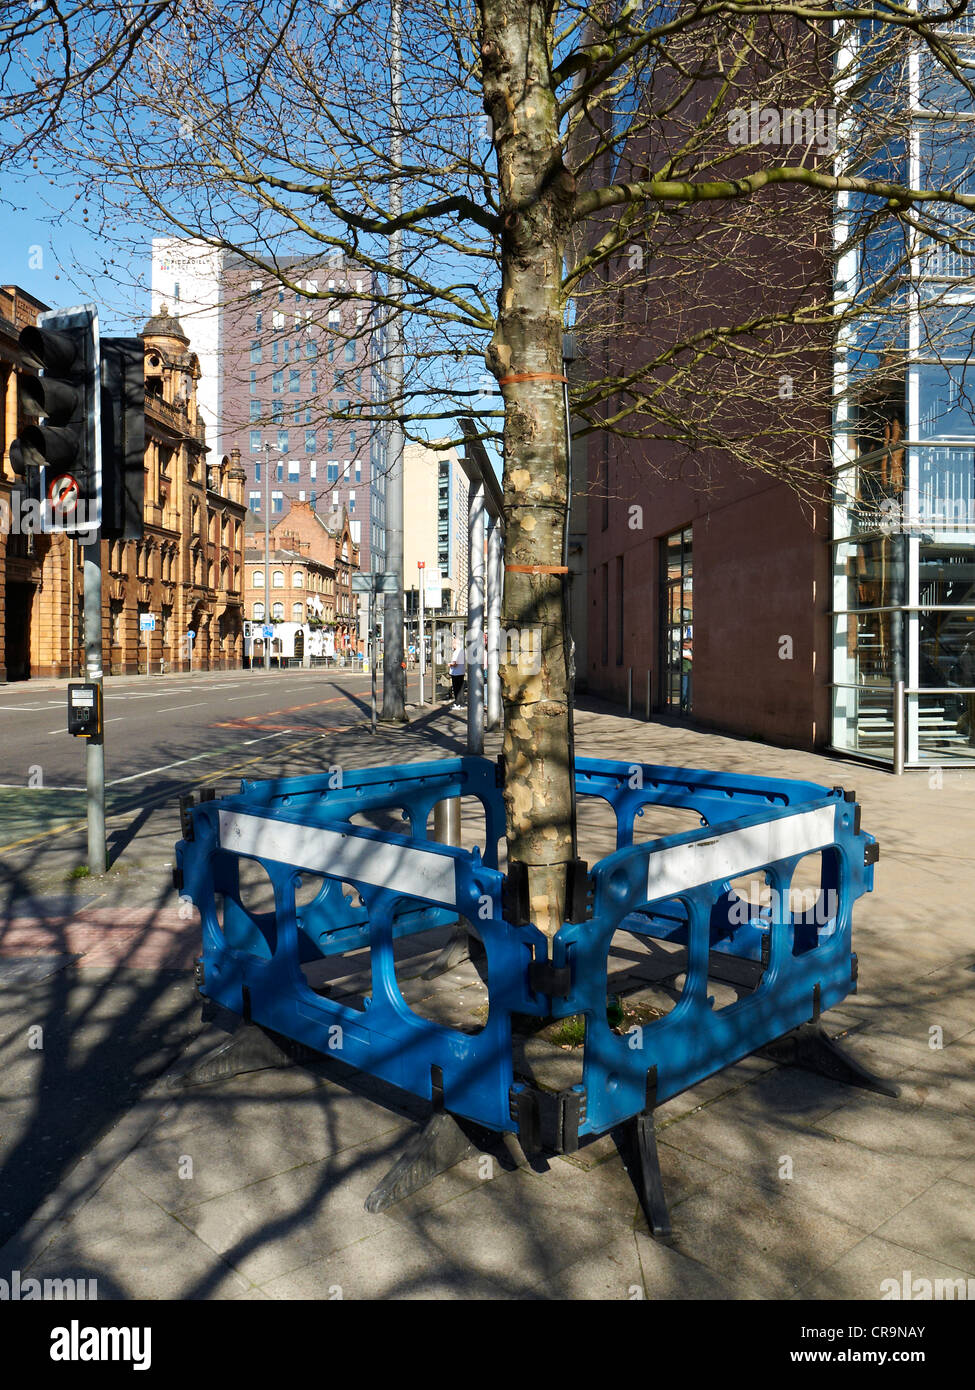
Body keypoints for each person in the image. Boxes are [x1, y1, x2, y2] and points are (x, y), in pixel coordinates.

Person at [449, 638, 466, 708]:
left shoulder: (456, 652)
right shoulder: (462, 651)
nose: (452, 645)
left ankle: (457, 703)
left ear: (456, 643)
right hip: (461, 672)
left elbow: (455, 663)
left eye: (453, 643)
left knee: (456, 689)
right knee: (461, 689)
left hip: (456, 673)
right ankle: (461, 703)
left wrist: (449, 664)